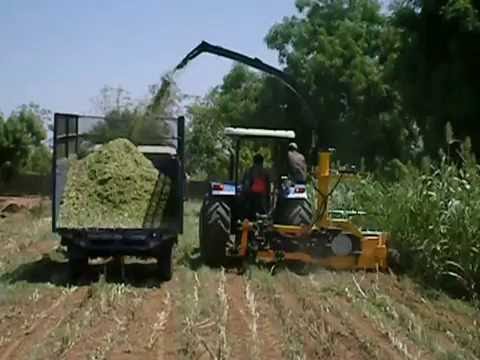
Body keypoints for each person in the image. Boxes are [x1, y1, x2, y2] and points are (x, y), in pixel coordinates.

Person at [242, 153, 271, 219]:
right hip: (262, 197)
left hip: (251, 196)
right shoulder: (265, 172)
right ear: (262, 162)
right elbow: (268, 187)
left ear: (254, 161)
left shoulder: (249, 171)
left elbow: (245, 184)